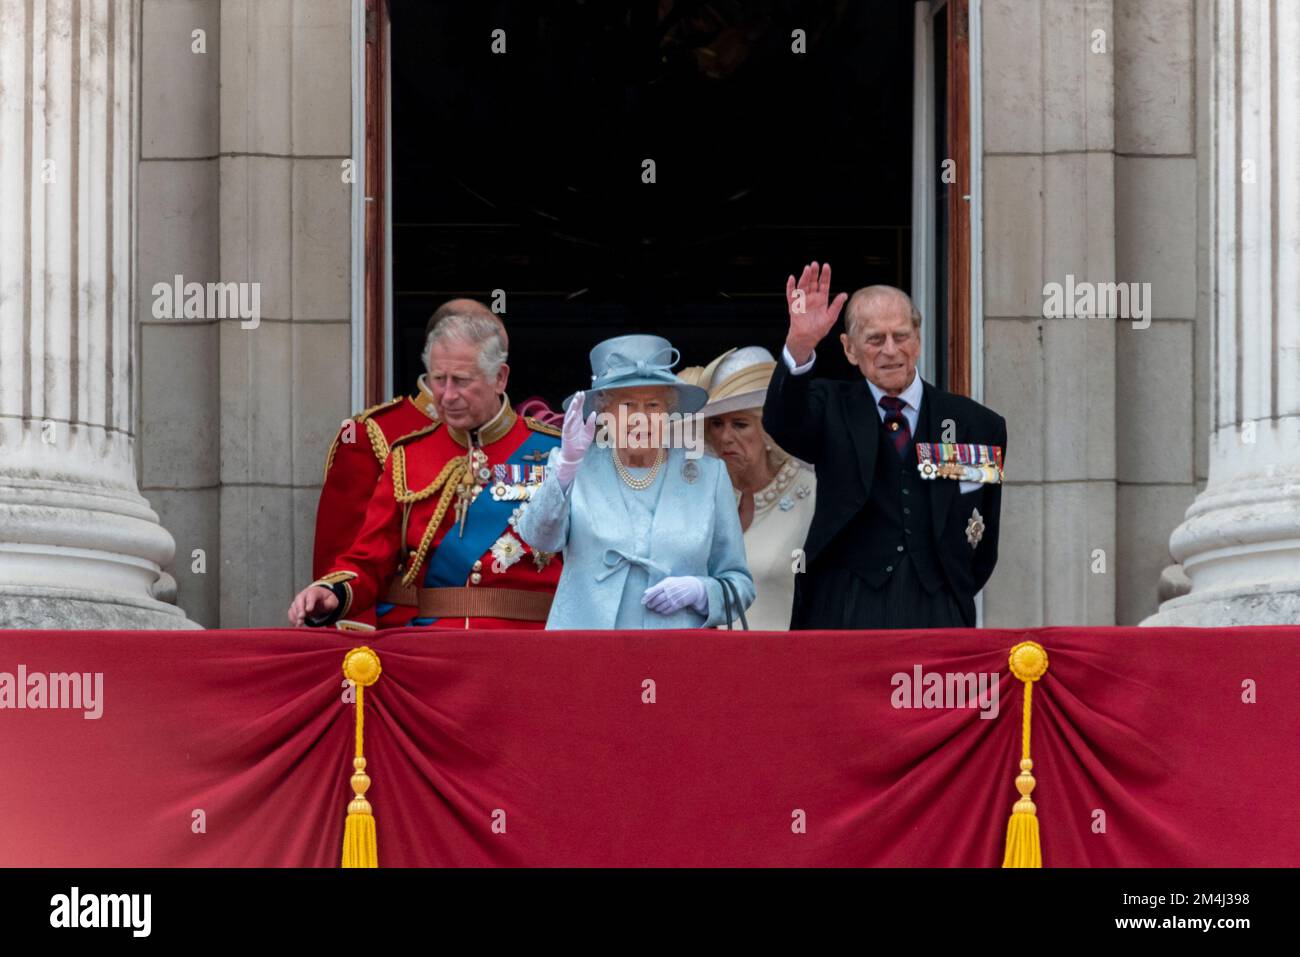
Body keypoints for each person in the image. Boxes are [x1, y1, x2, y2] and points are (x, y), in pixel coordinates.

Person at [762, 263, 1007, 629]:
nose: (891, 350)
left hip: (938, 610)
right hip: (844, 609)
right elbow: (782, 421)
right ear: (849, 349)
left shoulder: (977, 425)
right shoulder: (829, 406)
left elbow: (982, 538)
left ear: (918, 340)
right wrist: (800, 345)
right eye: (875, 339)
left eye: (901, 336)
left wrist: (951, 590)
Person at [289, 310, 563, 630]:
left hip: (529, 647)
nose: (446, 395)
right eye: (438, 379)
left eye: (461, 380)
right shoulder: (407, 456)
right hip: (434, 649)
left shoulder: (555, 453)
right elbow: (368, 560)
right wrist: (332, 591)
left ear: (500, 378)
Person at [515, 334, 754, 629]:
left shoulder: (708, 476)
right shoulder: (574, 467)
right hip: (587, 656)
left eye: (652, 405)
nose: (640, 419)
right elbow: (539, 538)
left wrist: (703, 592)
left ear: (668, 412)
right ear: (605, 412)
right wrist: (567, 466)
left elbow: (739, 584)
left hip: (676, 656)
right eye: (627, 405)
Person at [312, 298, 505, 630]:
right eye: (442, 377)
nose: (449, 393)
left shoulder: (536, 446)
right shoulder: (377, 435)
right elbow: (347, 559)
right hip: (411, 633)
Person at [698, 346, 816, 630]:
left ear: (768, 430)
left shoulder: (812, 493)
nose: (725, 436)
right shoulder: (699, 495)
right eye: (716, 424)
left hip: (786, 664)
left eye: (740, 424)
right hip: (708, 664)